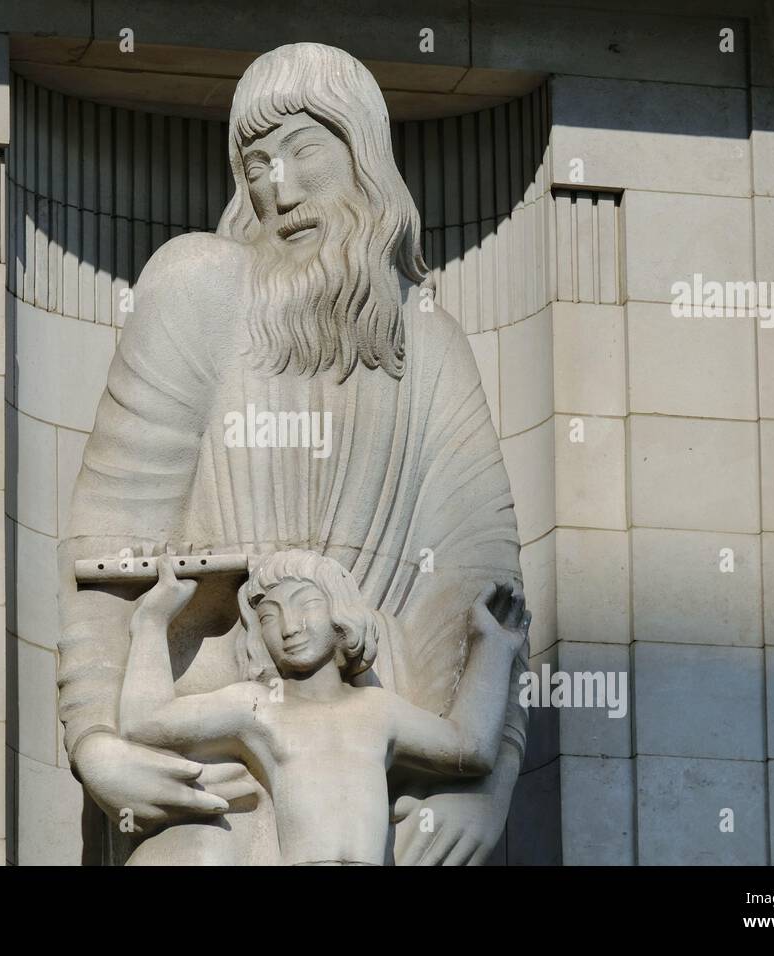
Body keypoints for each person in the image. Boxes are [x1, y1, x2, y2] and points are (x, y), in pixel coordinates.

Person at [58, 41, 528, 866]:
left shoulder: (433, 345)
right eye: (255, 163)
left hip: (383, 778)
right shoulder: (197, 288)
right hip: (206, 777)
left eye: (304, 149)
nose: (278, 187)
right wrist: (98, 744)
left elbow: (488, 598)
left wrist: (487, 787)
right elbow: (106, 559)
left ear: (363, 153)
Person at [118, 555, 527, 866]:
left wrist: (492, 647)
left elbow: (470, 748)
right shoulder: (259, 707)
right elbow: (144, 720)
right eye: (268, 616)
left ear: (340, 612)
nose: (289, 627)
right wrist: (152, 622)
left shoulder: (378, 710)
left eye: (306, 605)